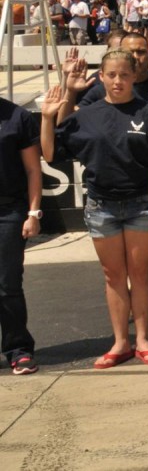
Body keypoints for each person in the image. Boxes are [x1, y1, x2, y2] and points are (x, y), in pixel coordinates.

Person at [41, 52, 148, 368]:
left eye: (124, 75)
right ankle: (120, 343)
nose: (118, 81)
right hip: (101, 207)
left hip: (142, 205)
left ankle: (142, 339)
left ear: (133, 76)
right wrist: (47, 117)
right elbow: (50, 154)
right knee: (113, 276)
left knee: (140, 275)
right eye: (111, 74)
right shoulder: (84, 115)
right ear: (101, 76)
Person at [0, 95, 43, 375]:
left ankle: (19, 350)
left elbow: (33, 170)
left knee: (8, 286)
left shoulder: (17, 117)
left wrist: (33, 213)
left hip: (9, 212)